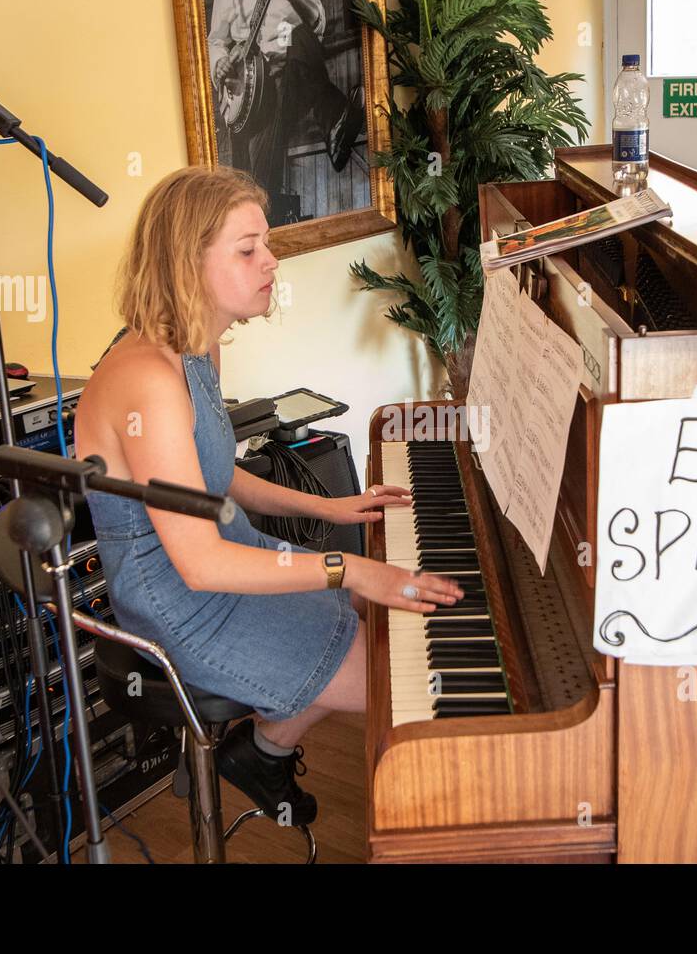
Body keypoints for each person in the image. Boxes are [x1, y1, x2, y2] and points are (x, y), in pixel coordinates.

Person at [74, 165, 462, 825]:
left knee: (360, 621)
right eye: (248, 248)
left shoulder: (197, 347)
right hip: (183, 602)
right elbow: (198, 564)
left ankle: (262, 749)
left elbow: (215, 475)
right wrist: (354, 565)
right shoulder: (148, 380)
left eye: (266, 244)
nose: (271, 262)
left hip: (221, 552)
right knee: (404, 685)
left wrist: (331, 509)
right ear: (184, 260)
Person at [208, 0, 365, 213]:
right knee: (258, 187)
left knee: (299, 33)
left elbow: (317, 23)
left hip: (290, 72)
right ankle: (336, 125)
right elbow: (216, 40)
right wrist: (220, 63)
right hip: (247, 88)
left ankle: (335, 120)